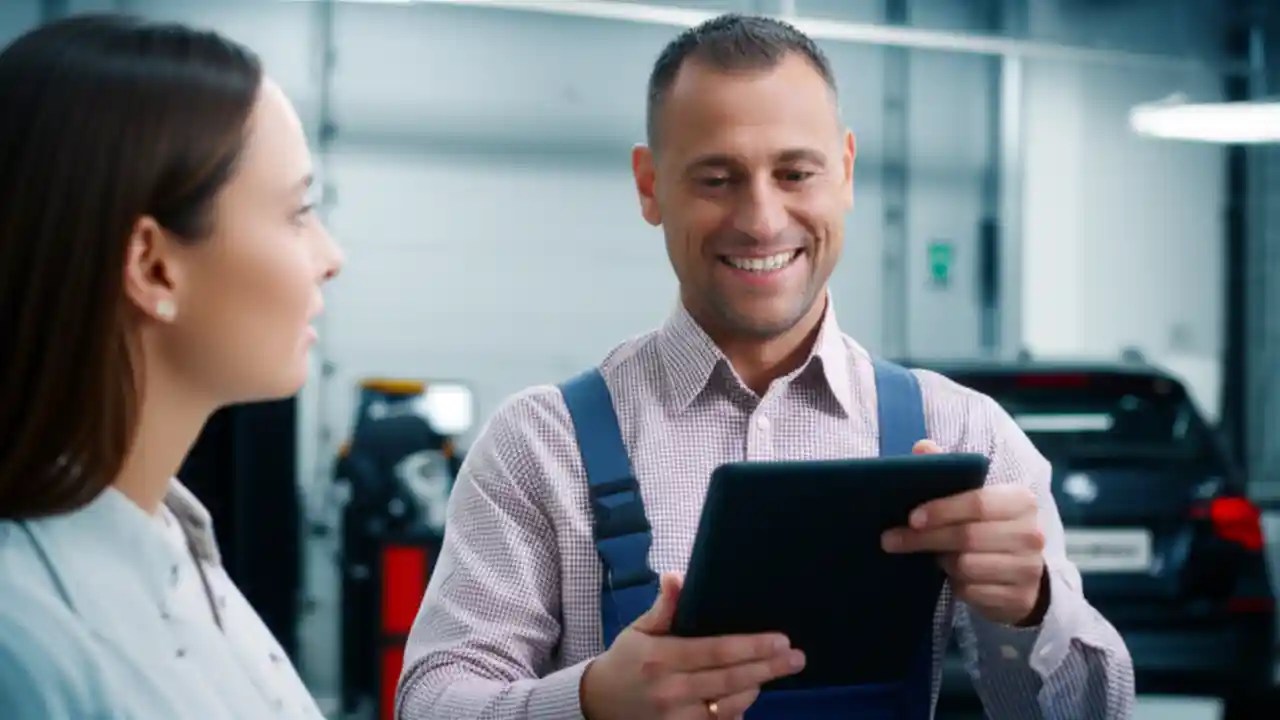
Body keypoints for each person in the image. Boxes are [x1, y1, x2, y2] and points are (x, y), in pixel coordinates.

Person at [397, 13, 1133, 720]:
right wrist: (589, 704)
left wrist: (1034, 609)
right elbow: (430, 703)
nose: (760, 218)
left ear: (844, 171)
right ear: (649, 185)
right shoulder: (540, 446)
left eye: (794, 173)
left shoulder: (965, 434)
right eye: (716, 178)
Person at [0, 14, 343, 720]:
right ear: (154, 266)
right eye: (298, 212)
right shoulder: (27, 652)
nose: (330, 256)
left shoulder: (175, 551)